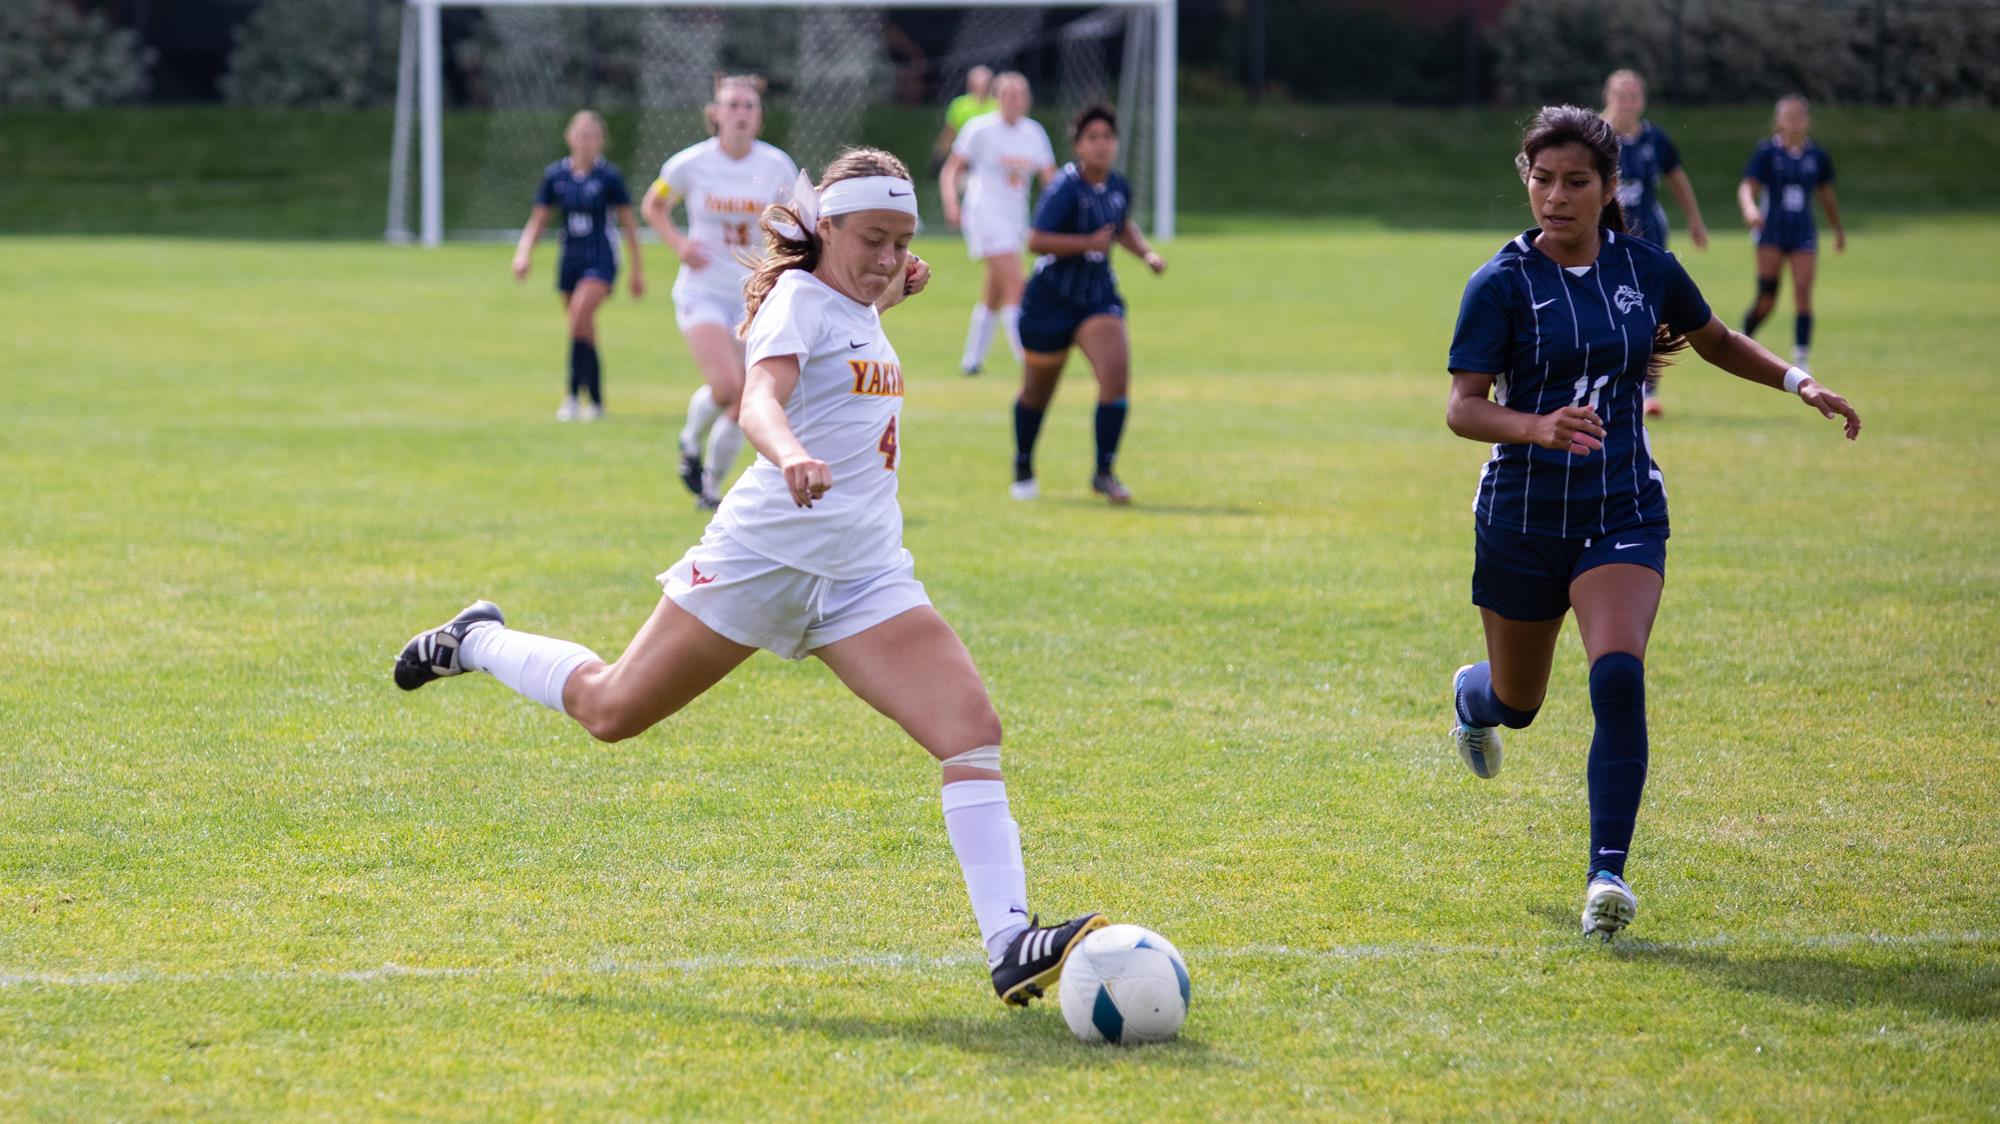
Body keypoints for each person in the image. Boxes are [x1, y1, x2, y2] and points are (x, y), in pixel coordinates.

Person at [397, 148, 1106, 1004]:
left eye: (902, 240)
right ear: (827, 227)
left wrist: (891, 288)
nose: (890, 257)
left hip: (864, 576)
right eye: (873, 239)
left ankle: (1010, 941)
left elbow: (855, 325)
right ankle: (477, 640)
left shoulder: (859, 295)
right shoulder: (798, 301)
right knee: (611, 710)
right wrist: (791, 451)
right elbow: (760, 399)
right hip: (763, 558)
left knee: (970, 730)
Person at [1443, 106, 1861, 940]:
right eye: (1542, 179)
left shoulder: (1645, 267)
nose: (1556, 196)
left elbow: (1716, 338)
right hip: (1522, 517)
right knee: (1520, 703)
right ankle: (1473, 697)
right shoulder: (1500, 283)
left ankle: (1607, 875)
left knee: (1618, 676)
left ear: (1609, 189)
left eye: (1576, 182)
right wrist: (1536, 426)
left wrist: (1799, 382)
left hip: (1623, 508)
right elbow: (1463, 408)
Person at [643, 74, 800, 509]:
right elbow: (654, 204)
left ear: (760, 116)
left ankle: (711, 485)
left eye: (749, 106)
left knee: (747, 394)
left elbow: (798, 220)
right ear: (715, 114)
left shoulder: (777, 165)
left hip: (753, 296)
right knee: (728, 384)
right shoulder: (690, 164)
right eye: (732, 105)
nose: (741, 113)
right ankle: (691, 438)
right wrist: (679, 244)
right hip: (703, 292)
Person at [1009, 104, 1164, 505]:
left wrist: (1146, 254)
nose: (1101, 145)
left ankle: (1104, 471)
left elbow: (1121, 226)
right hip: (1051, 299)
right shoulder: (1065, 187)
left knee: (1116, 377)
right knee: (1037, 392)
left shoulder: (1118, 186)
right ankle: (1023, 463)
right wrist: (1086, 244)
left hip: (1097, 296)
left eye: (1107, 137)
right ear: (1078, 145)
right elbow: (1035, 240)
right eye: (1092, 138)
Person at [512, 110, 644, 422]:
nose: (586, 141)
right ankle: (595, 401)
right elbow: (539, 219)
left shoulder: (609, 178)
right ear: (569, 137)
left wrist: (637, 270)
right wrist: (523, 253)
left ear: (602, 141)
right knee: (583, 328)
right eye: (581, 135)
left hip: (601, 258)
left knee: (578, 316)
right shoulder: (555, 176)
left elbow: (629, 225)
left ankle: (572, 396)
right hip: (570, 258)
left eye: (592, 136)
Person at [1599, 69, 1708, 417]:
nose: (1626, 102)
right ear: (1608, 97)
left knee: (1649, 310)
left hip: (1649, 236)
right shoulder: (1595, 136)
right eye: (1620, 95)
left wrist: (1694, 219)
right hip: (1604, 234)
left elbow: (1677, 179)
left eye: (1633, 95)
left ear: (1642, 100)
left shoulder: (1655, 139)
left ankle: (1648, 390)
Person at [939, 72, 1057, 376]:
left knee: (995, 291)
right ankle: (1029, 359)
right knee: (1016, 285)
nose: (1015, 101)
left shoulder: (1034, 132)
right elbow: (951, 169)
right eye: (1008, 95)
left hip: (1015, 217)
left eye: (1020, 95)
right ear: (997, 98)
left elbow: (1050, 178)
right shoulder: (980, 129)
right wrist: (952, 203)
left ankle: (972, 361)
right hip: (984, 213)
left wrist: (1062, 212)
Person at [1738, 94, 1846, 372]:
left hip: (1802, 232)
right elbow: (1747, 186)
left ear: (1808, 121)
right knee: (1766, 300)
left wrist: (1837, 229)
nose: (1794, 121)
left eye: (1799, 116)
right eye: (1789, 116)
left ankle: (1801, 357)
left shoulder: (1817, 156)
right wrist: (1750, 209)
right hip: (1771, 232)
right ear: (1778, 121)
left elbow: (1826, 195)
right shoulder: (1767, 152)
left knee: (1802, 290)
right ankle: (1743, 338)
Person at [929, 64, 996, 175]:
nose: (982, 88)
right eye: (978, 84)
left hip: (989, 157)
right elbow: (949, 134)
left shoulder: (998, 106)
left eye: (985, 84)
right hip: (964, 157)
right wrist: (938, 157)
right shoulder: (959, 105)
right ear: (970, 85)